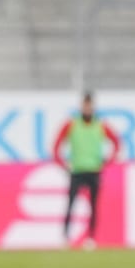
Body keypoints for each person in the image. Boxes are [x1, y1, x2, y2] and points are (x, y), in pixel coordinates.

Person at [51, 91, 121, 250]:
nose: (87, 108)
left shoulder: (100, 125)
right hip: (76, 170)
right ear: (81, 106)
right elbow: (57, 144)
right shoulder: (72, 124)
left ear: (93, 106)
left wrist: (108, 161)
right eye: (85, 105)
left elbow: (116, 142)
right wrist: (62, 163)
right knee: (71, 204)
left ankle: (91, 238)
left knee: (93, 206)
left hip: (94, 170)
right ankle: (65, 237)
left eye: (89, 105)